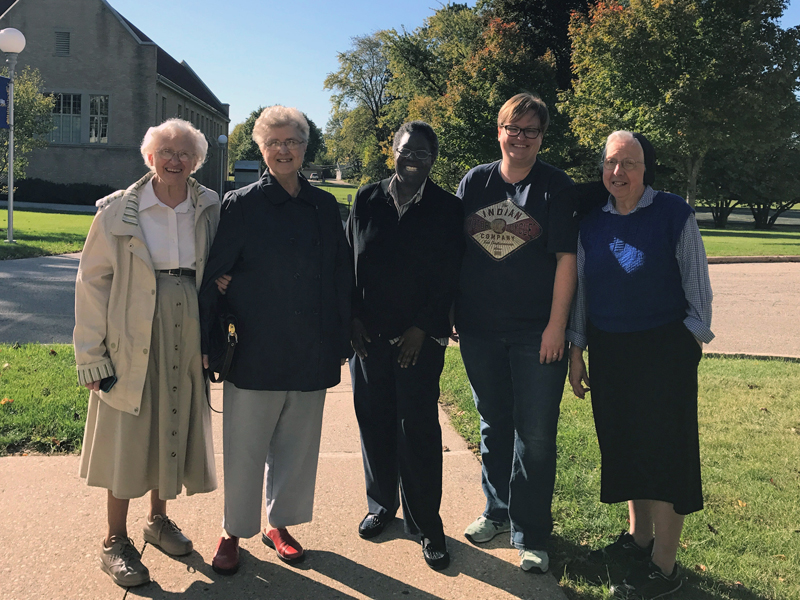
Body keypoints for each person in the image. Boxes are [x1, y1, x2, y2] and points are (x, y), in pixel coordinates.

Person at [198, 105, 351, 576]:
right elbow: (212, 275)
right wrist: (209, 341)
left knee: (297, 448)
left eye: (293, 141)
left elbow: (342, 277)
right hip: (255, 348)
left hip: (310, 348)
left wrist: (341, 339)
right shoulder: (240, 204)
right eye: (274, 142)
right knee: (245, 447)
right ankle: (232, 530)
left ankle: (278, 525)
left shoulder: (326, 206)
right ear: (261, 150)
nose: (284, 150)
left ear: (305, 148)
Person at [567, 131, 713, 599]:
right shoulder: (591, 224)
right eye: (611, 162)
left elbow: (698, 290)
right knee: (628, 446)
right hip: (611, 352)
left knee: (665, 454)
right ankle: (639, 541)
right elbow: (583, 294)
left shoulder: (673, 214)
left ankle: (665, 568)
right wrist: (577, 349)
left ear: (646, 167)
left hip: (663, 351)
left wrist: (688, 341)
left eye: (629, 163)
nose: (618, 172)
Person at [74, 119, 219, 587]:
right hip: (131, 332)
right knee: (128, 431)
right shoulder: (117, 212)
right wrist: (91, 354)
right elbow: (93, 282)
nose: (175, 160)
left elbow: (224, 265)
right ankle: (114, 540)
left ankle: (157, 520)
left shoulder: (209, 206)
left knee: (170, 420)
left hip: (189, 325)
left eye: (185, 153)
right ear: (149, 157)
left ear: (196, 161)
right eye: (166, 151)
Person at [455, 93, 578, 574]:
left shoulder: (555, 187)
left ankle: (531, 532)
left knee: (536, 433)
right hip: (480, 329)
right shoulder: (475, 181)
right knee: (493, 423)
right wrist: (452, 309)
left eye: (531, 131)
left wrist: (556, 327)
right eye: (514, 128)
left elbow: (567, 260)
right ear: (500, 131)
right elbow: (455, 249)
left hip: (535, 334)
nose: (521, 138)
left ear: (541, 137)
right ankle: (497, 511)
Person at [346, 121, 464, 570]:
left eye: (423, 153)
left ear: (433, 159)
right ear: (391, 151)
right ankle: (381, 505)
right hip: (369, 338)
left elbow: (449, 274)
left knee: (417, 429)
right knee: (373, 421)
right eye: (405, 150)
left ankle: (425, 524)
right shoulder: (366, 199)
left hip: (420, 339)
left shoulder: (446, 208)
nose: (413, 158)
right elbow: (350, 261)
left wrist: (422, 326)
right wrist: (353, 318)